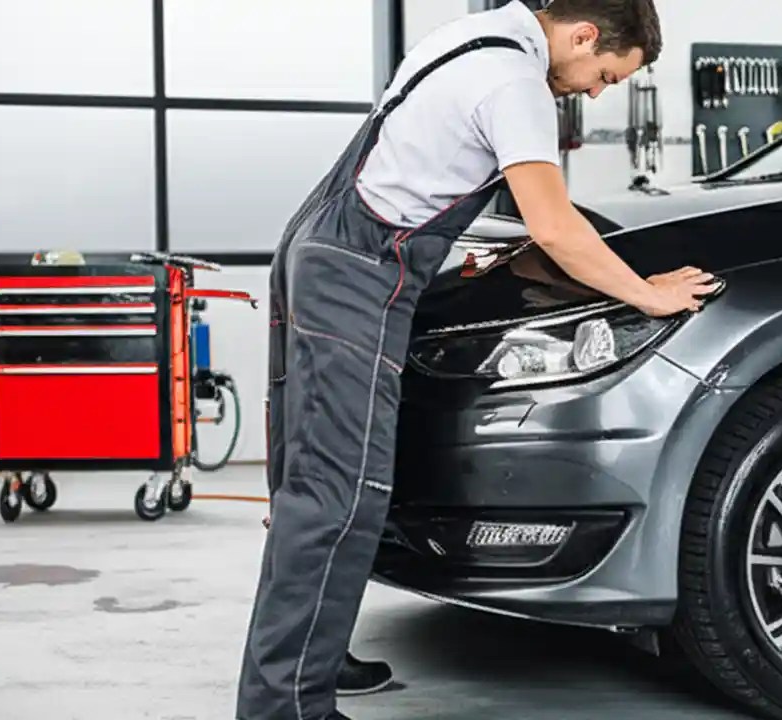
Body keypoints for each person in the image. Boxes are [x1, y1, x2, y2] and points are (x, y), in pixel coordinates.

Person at [236, 1, 720, 718]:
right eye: (604, 76)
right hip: (361, 271)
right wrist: (644, 294)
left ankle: (314, 656)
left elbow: (424, 158)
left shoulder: (469, 36)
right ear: (583, 35)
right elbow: (556, 226)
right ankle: (284, 705)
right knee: (338, 492)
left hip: (317, 249)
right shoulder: (515, 81)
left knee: (309, 484)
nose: (594, 92)